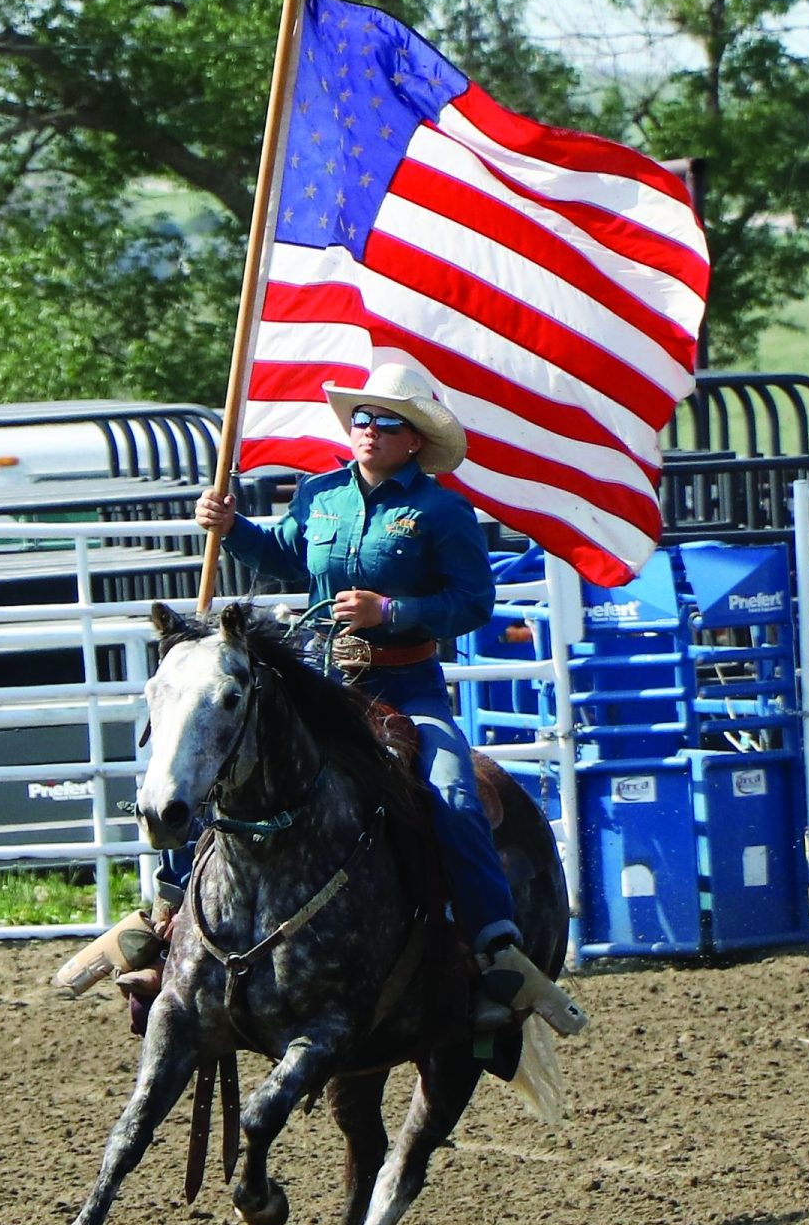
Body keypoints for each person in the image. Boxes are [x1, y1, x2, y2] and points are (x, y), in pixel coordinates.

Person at [192, 363, 586, 1038]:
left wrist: (392, 609)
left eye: (387, 423)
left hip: (405, 687)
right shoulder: (319, 498)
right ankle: (172, 917)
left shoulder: (441, 511)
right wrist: (230, 527)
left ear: (414, 440)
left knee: (453, 794)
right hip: (317, 687)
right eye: (362, 420)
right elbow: (286, 557)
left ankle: (497, 946)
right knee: (212, 764)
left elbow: (473, 602)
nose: (368, 431)